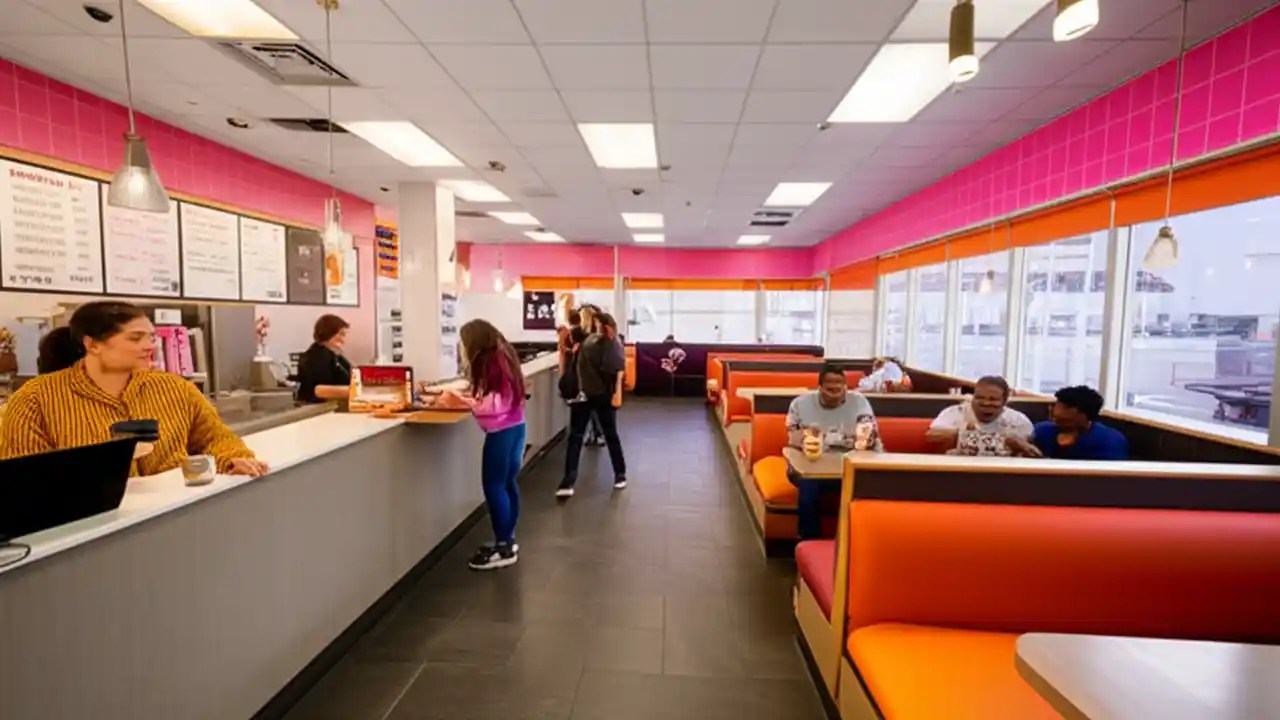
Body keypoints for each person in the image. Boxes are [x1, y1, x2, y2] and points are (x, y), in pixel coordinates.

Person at [0, 301, 268, 477]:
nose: (150, 345)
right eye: (135, 338)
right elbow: (22, 476)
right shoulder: (36, 399)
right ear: (93, 345)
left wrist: (233, 460)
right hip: (89, 530)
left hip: (173, 518)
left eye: (151, 337)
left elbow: (215, 438)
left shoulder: (174, 388)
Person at [445, 320, 527, 570]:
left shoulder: (491, 362)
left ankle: (503, 548)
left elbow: (492, 405)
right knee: (507, 483)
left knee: (494, 487)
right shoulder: (506, 356)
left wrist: (461, 403)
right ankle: (508, 540)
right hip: (516, 428)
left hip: (501, 434)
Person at [786, 364, 883, 540]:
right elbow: (793, 437)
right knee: (808, 488)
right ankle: (810, 543)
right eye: (830, 389)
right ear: (820, 387)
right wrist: (808, 439)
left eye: (840, 388)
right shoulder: (800, 404)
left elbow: (868, 434)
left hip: (853, 463)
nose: (836, 393)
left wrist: (863, 438)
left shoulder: (859, 402)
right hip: (814, 465)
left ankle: (856, 543)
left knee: (869, 488)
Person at [557, 312, 627, 498]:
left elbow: (616, 368)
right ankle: (571, 478)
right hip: (591, 393)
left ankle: (618, 473)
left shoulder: (605, 342)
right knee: (581, 436)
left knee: (596, 434)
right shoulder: (578, 338)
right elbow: (566, 361)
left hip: (598, 393)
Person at [926, 375, 1036, 456]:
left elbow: (1033, 453)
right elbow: (931, 436)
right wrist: (964, 433)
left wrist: (1019, 444)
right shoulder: (955, 412)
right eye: (980, 398)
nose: (986, 403)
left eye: (993, 399)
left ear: (1004, 401)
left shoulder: (1018, 421)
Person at [1031, 385, 1129, 460]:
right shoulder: (1041, 431)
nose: (1056, 421)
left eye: (1066, 420)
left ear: (1086, 416)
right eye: (1055, 418)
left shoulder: (1109, 441)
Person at [296, 314, 352, 403]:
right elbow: (320, 389)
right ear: (329, 333)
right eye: (341, 334)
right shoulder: (317, 357)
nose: (343, 339)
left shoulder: (334, 355)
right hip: (319, 407)